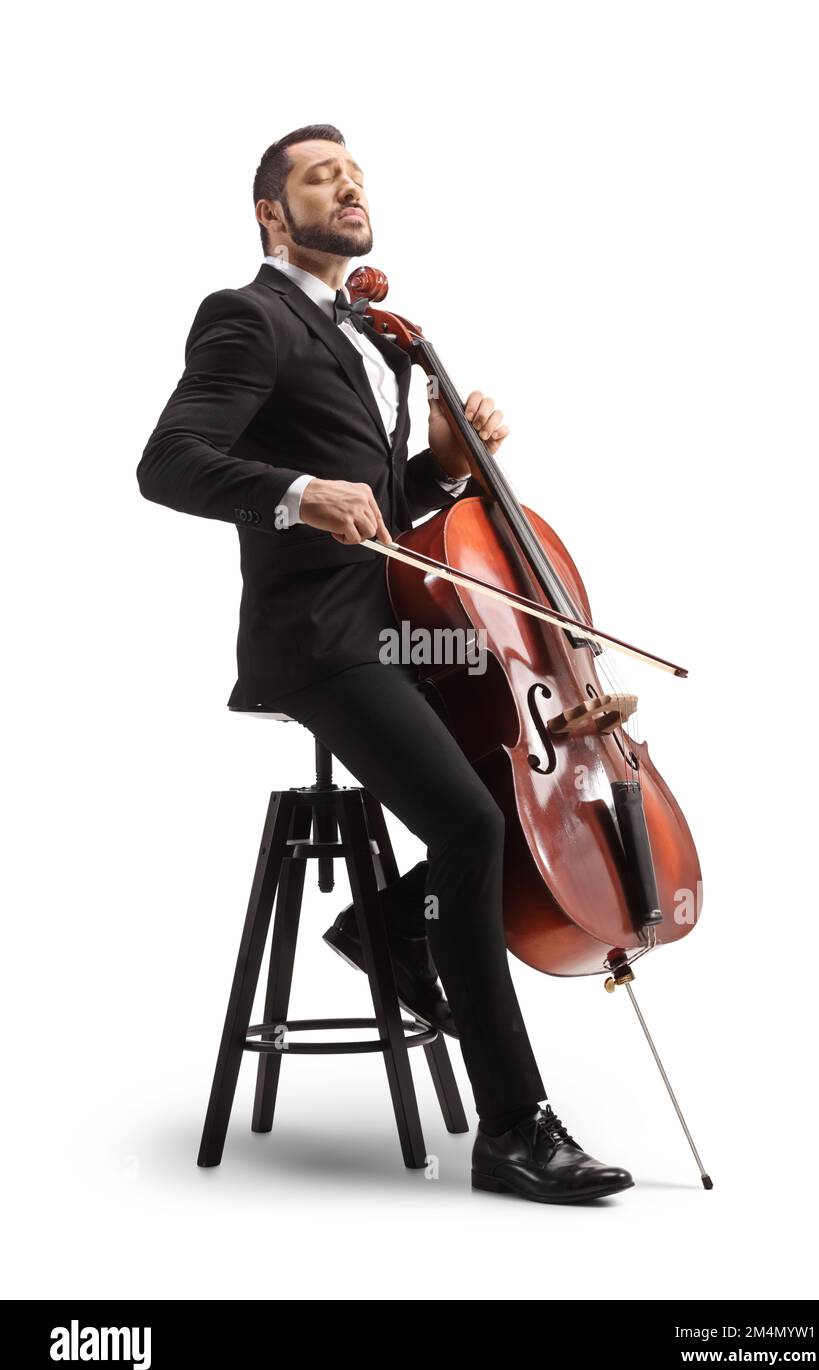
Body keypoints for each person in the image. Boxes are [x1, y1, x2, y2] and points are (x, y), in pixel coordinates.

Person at [137, 123, 634, 1204]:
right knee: (468, 824)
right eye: (322, 177)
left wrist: (441, 469)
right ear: (272, 213)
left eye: (355, 174)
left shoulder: (368, 335)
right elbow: (167, 460)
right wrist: (292, 493)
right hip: (314, 643)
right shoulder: (246, 316)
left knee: (497, 799)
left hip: (392, 626)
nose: (349, 187)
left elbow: (381, 511)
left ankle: (387, 927)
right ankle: (513, 1128)